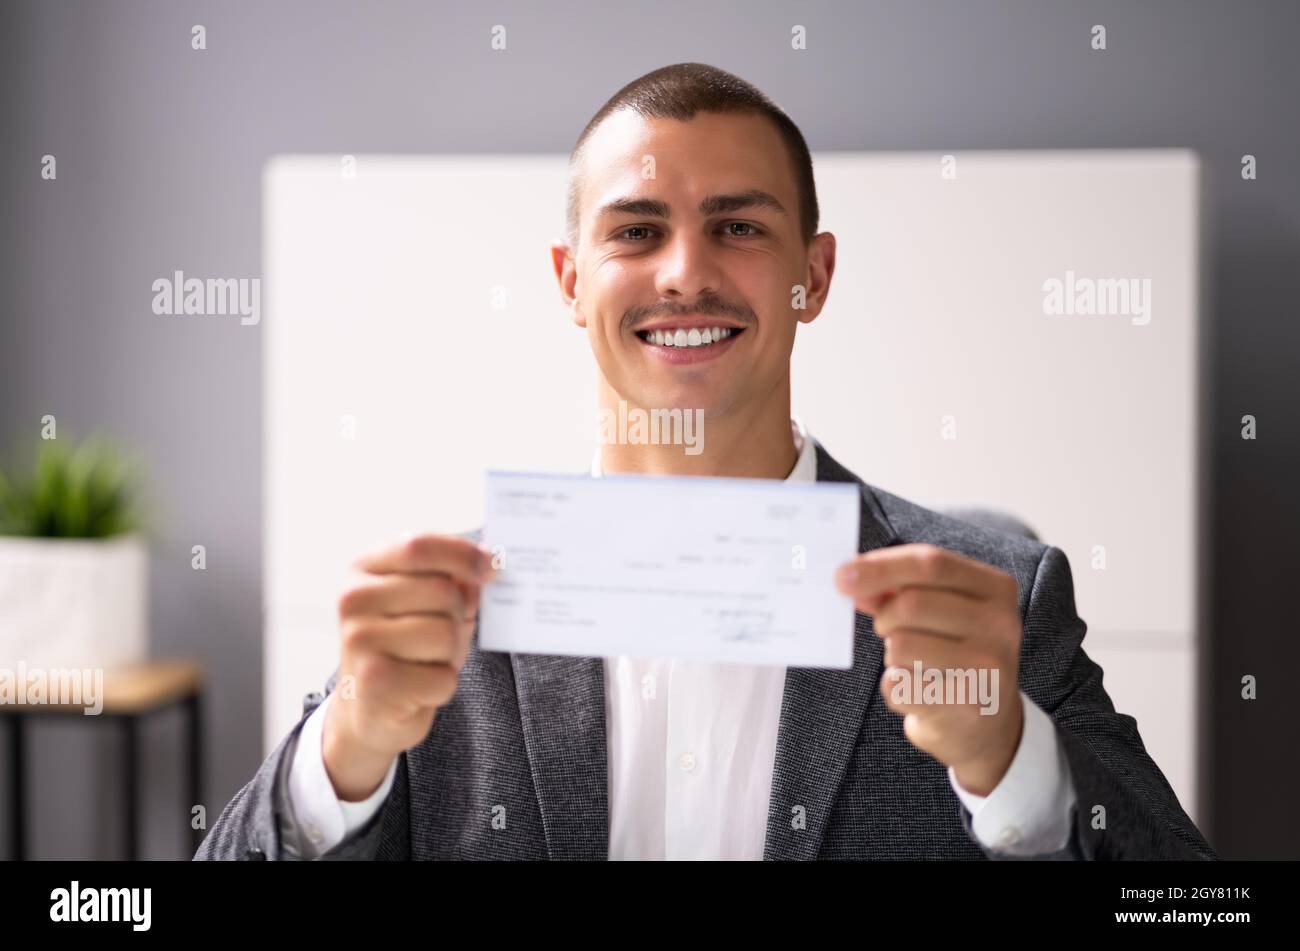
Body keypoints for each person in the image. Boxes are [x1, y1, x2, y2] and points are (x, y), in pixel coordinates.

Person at [196, 62, 1214, 861]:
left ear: (811, 275)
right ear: (568, 279)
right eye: (637, 231)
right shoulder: (436, 617)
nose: (685, 272)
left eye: (737, 227)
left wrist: (1010, 764)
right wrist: (339, 763)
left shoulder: (1000, 595)